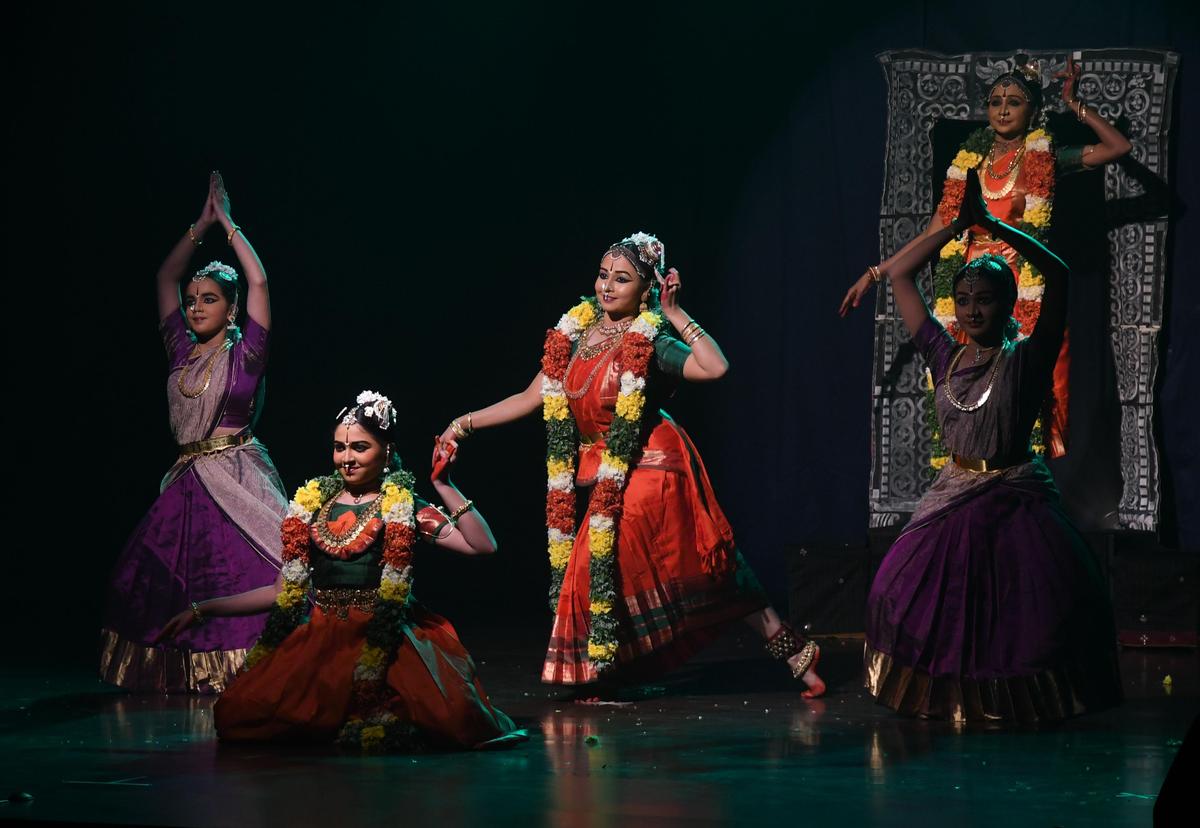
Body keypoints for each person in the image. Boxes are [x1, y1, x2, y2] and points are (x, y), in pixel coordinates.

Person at [439, 232, 825, 698]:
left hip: (655, 463)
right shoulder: (575, 335)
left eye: (621, 279)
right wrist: (461, 425)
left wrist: (676, 313)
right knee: (702, 569)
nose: (607, 286)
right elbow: (529, 397)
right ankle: (793, 653)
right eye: (603, 275)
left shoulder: (651, 339)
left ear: (646, 290)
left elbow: (715, 368)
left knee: (591, 561)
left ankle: (597, 670)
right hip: (607, 470)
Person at [839, 174, 1122, 723]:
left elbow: (1060, 276)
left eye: (985, 301)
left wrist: (992, 227)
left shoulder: (1025, 359)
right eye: (963, 300)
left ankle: (1014, 711)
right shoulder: (944, 356)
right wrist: (953, 227)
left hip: (1014, 500)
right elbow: (899, 275)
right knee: (898, 596)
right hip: (954, 493)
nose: (971, 311)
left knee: (1019, 621)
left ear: (1007, 303)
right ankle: (950, 705)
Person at [158, 392, 524, 752]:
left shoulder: (402, 504)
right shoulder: (312, 506)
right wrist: (202, 609)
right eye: (339, 448)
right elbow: (280, 593)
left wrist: (444, 485)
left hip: (386, 637)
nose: (346, 459)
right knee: (241, 712)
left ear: (387, 452)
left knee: (448, 716)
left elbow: (481, 545)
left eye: (359, 448)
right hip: (322, 639)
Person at [846, 56, 1131, 461]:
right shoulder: (968, 166)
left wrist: (1075, 105)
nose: (1002, 108)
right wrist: (876, 273)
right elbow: (933, 235)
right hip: (973, 293)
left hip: (1018, 291)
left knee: (1021, 399)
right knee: (967, 393)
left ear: (1031, 110)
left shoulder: (1044, 157)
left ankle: (1020, 480)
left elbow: (1119, 147)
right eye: (995, 100)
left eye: (1013, 101)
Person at [101, 172, 287, 693]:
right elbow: (164, 277)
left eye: (208, 299)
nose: (196, 306)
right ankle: (185, 676)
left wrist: (226, 224)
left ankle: (254, 675)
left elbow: (260, 283)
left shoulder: (246, 357)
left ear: (231, 311)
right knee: (159, 581)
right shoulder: (181, 353)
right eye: (193, 299)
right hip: (185, 483)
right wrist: (197, 226)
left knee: (243, 574)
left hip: (236, 478)